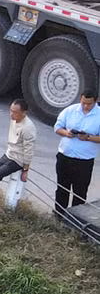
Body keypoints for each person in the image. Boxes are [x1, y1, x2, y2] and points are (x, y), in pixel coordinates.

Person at [53, 89, 100, 219]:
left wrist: (89, 137)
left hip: (84, 161)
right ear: (80, 99)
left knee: (79, 192)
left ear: (95, 101)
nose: (85, 106)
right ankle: (59, 216)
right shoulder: (71, 110)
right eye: (83, 102)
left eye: (89, 104)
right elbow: (57, 127)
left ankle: (75, 221)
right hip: (65, 157)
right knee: (62, 188)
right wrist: (66, 133)